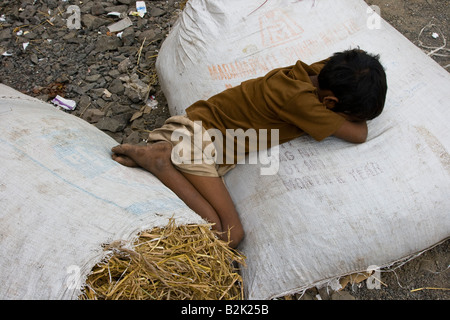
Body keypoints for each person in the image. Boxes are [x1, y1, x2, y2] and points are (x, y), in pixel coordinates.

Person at [111, 48, 387, 248]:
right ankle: (160, 161)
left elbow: (349, 66)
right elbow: (359, 134)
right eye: (348, 114)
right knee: (230, 235)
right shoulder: (302, 103)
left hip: (189, 134)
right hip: (194, 144)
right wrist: (349, 119)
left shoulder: (314, 72)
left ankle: (163, 154)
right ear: (330, 104)